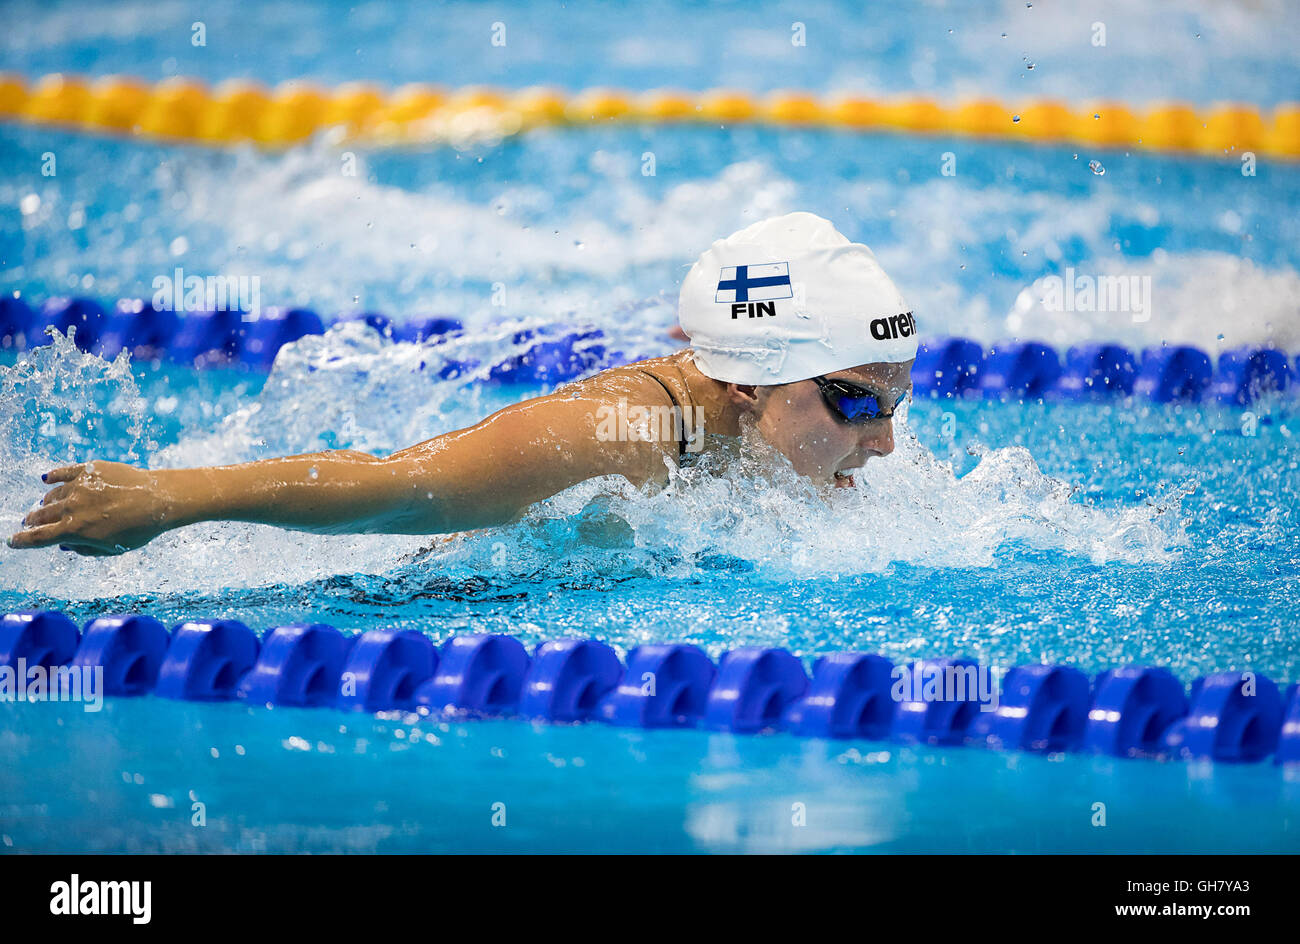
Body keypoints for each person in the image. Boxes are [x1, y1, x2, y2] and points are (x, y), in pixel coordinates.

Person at [7, 212, 916, 557]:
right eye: (856, 402)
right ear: (750, 386)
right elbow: (392, 487)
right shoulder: (611, 437)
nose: (884, 441)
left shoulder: (779, 425)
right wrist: (165, 498)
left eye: (897, 401)